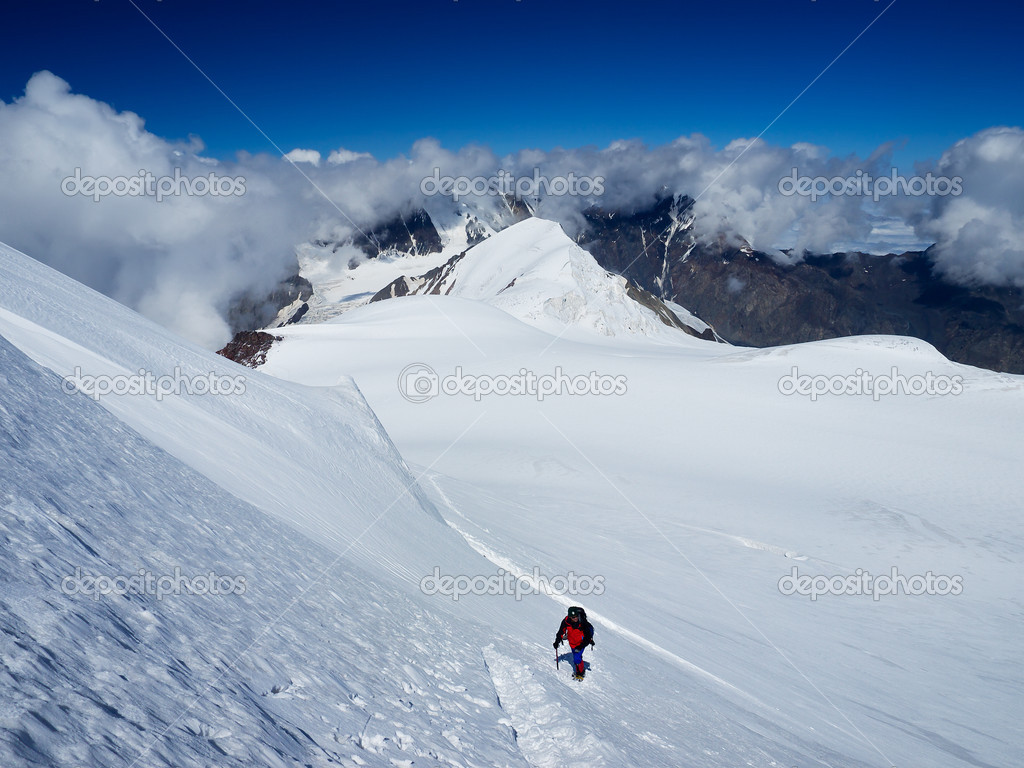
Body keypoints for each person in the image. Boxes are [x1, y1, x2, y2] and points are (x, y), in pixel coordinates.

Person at [553, 605, 595, 679]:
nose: (575, 618)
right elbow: (561, 631)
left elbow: (587, 637)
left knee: (577, 658)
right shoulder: (566, 622)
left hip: (581, 642)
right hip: (572, 642)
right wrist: (557, 641)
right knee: (576, 655)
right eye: (573, 617)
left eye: (576, 616)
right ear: (569, 617)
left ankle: (580, 672)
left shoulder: (583, 623)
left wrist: (581, 646)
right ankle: (579, 665)